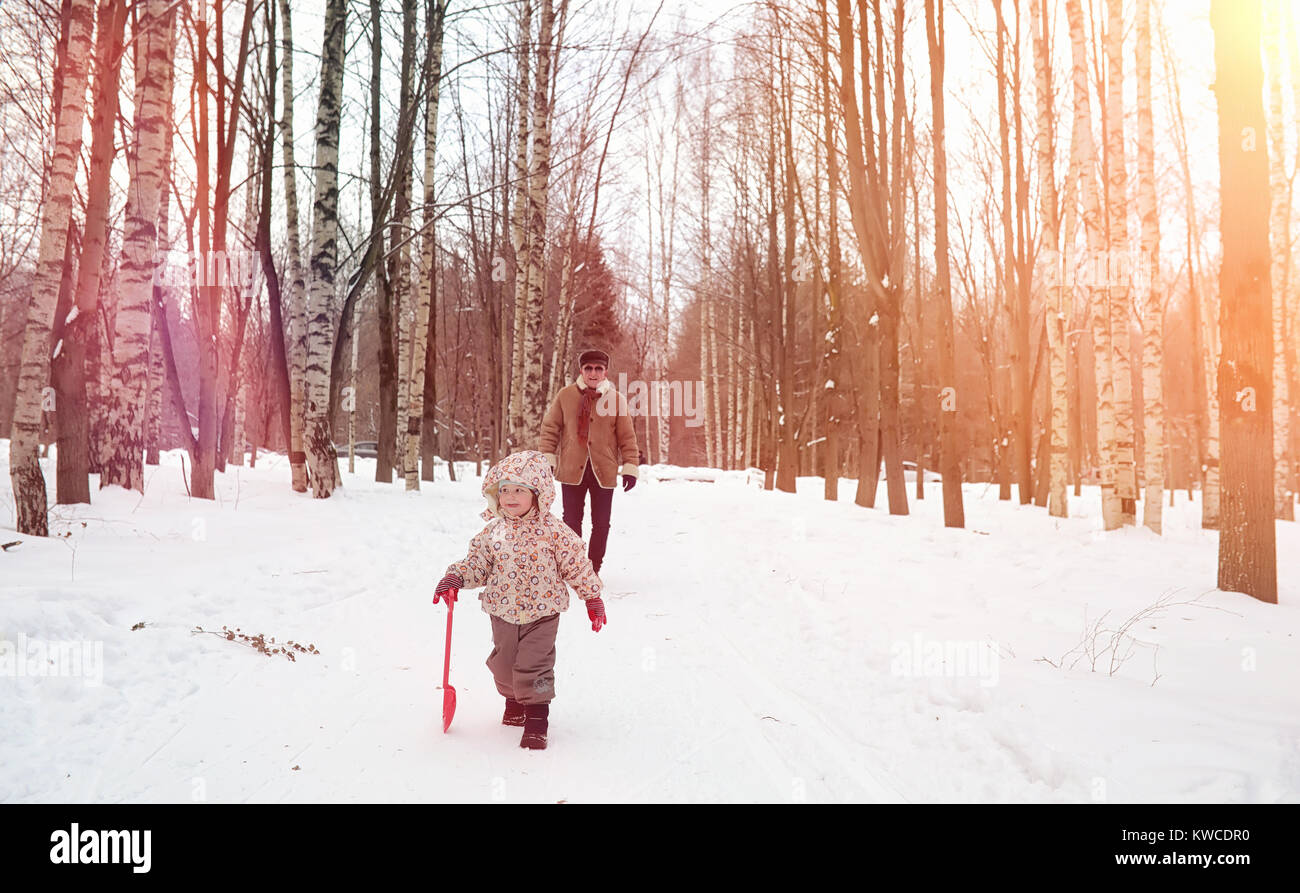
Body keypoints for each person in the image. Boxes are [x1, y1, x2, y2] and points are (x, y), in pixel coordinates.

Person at [433, 450, 605, 750]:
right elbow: (478, 564)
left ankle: (538, 716)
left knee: (534, 666)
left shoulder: (555, 532)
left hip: (543, 613)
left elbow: (577, 564)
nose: (510, 497)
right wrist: (456, 577)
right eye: (504, 490)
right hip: (502, 611)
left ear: (537, 494)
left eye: (519, 490)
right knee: (504, 665)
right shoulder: (493, 532)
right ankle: (513, 699)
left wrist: (592, 597)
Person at [539, 348, 641, 576]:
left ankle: (593, 568)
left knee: (601, 523)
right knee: (571, 521)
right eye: (588, 368)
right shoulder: (565, 396)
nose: (593, 373)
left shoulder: (616, 400)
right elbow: (550, 429)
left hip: (603, 471)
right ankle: (573, 566)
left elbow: (627, 436)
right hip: (572, 469)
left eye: (598, 369)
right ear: (581, 370)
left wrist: (630, 467)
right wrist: (548, 458)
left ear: (605, 372)